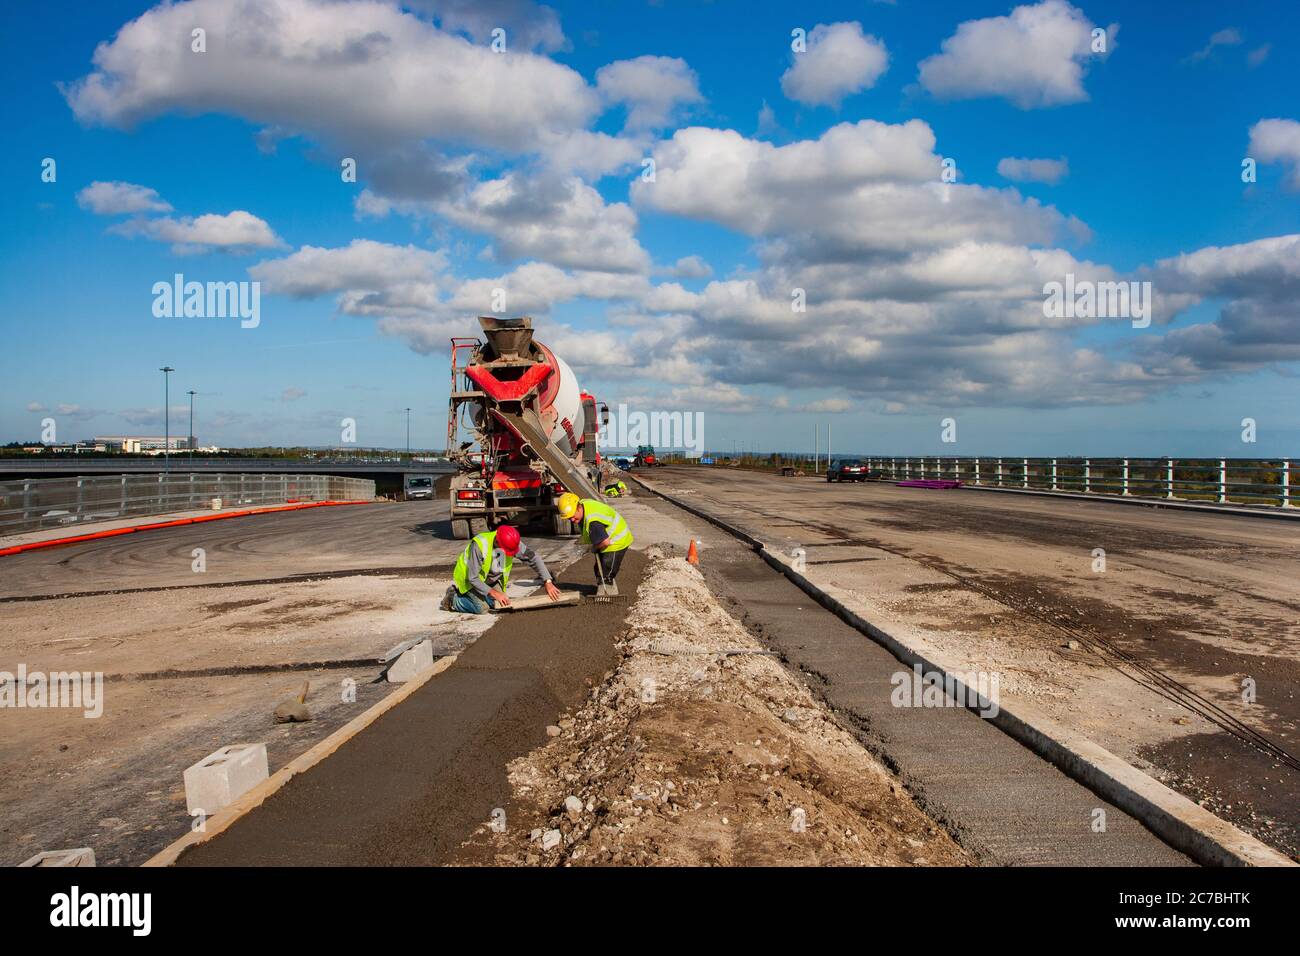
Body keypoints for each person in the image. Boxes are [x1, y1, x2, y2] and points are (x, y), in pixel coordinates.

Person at [442, 524, 561, 614]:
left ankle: (486, 596)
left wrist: (548, 581)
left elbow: (534, 558)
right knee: (482, 608)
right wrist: (494, 593)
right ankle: (453, 599)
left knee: (501, 604)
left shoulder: (512, 543)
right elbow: (473, 578)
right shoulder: (479, 545)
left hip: (489, 579)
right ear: (498, 542)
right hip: (469, 581)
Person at [555, 492, 633, 593]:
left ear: (578, 507)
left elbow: (605, 542)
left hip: (617, 540)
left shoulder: (593, 522)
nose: (572, 520)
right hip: (608, 536)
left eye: (573, 516)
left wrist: (595, 548)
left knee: (606, 570)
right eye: (569, 518)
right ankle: (607, 587)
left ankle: (607, 595)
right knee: (598, 567)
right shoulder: (584, 504)